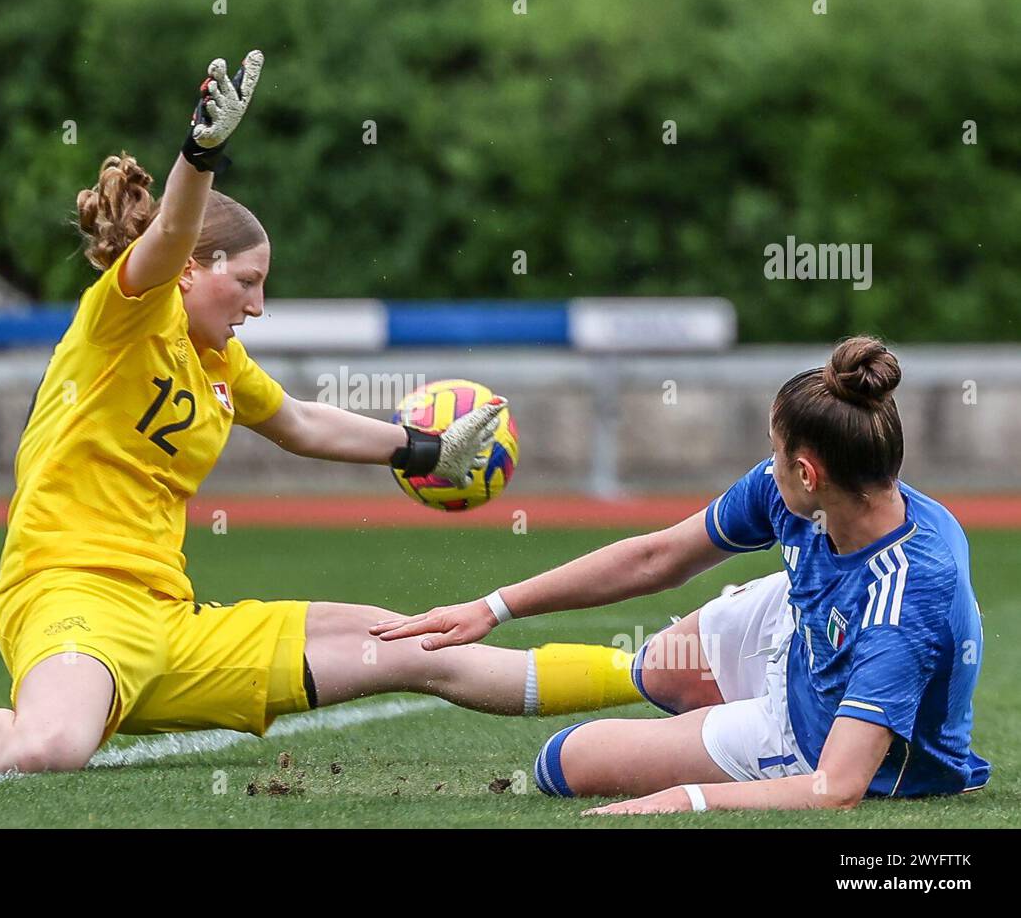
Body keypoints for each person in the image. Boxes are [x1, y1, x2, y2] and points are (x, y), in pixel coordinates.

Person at [0, 51, 645, 777]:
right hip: (68, 598)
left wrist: (422, 445)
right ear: (193, 271)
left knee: (411, 640)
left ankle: (664, 680)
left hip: (170, 621)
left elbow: (299, 423)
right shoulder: (126, 316)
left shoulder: (222, 364)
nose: (256, 305)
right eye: (246, 283)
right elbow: (168, 233)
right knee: (51, 747)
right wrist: (199, 156)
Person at [374, 335, 990, 812]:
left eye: (776, 456)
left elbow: (836, 787)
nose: (766, 468)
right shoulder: (811, 494)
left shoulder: (904, 598)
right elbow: (657, 558)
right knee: (659, 667)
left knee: (562, 765)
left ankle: (735, 737)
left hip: (817, 738)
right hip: (803, 625)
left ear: (809, 474)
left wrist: (692, 796)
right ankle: (712, 722)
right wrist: (493, 608)